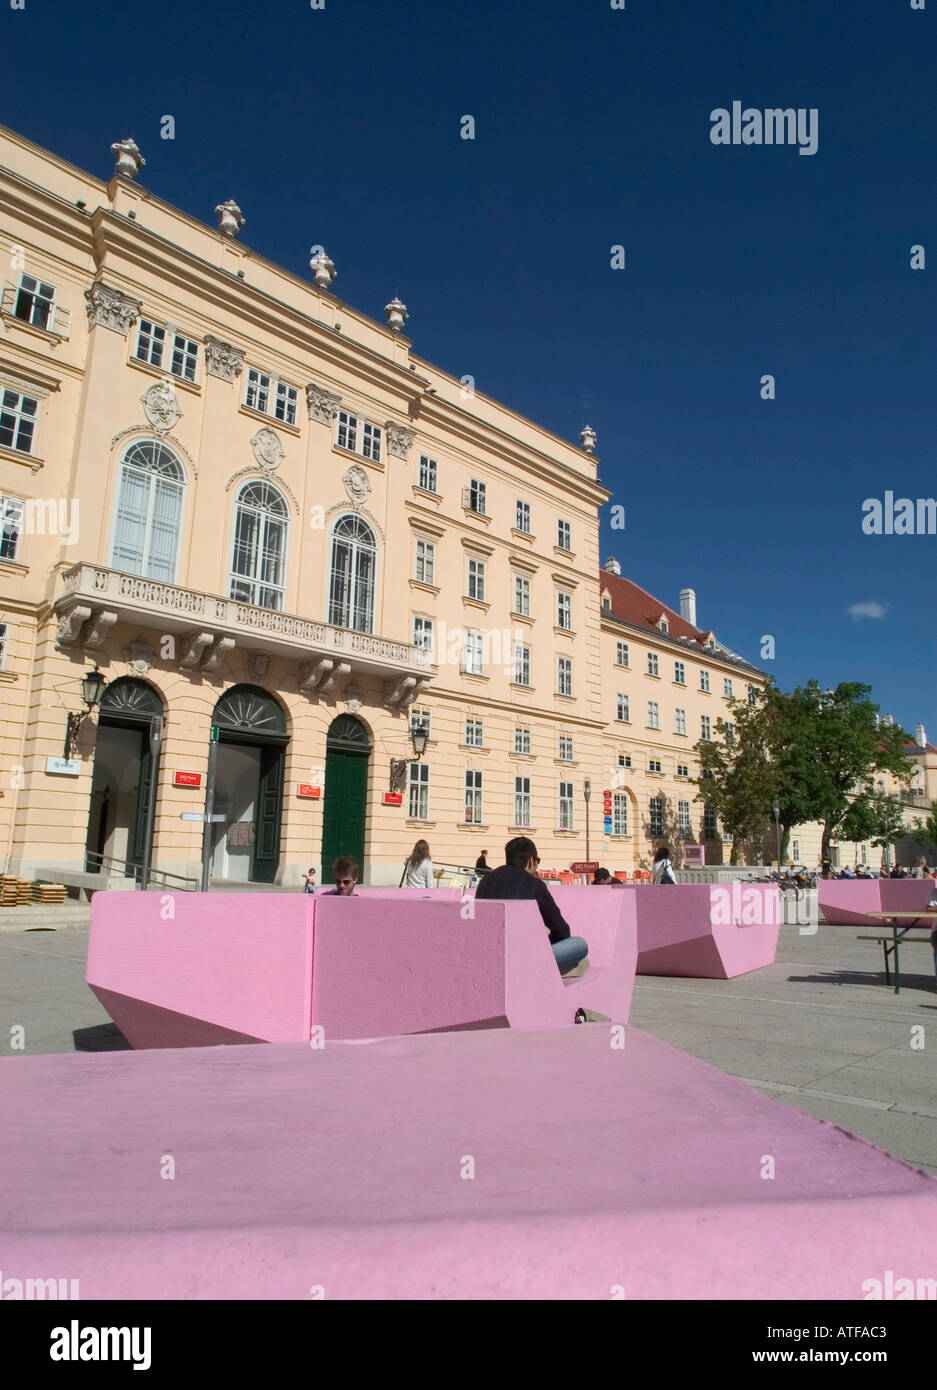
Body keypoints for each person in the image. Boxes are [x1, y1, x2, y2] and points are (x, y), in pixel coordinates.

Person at [475, 836, 588, 974]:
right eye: (537, 861)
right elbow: (562, 931)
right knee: (579, 944)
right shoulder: (534, 884)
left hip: (488, 954)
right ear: (531, 861)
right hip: (521, 959)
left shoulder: (485, 881)